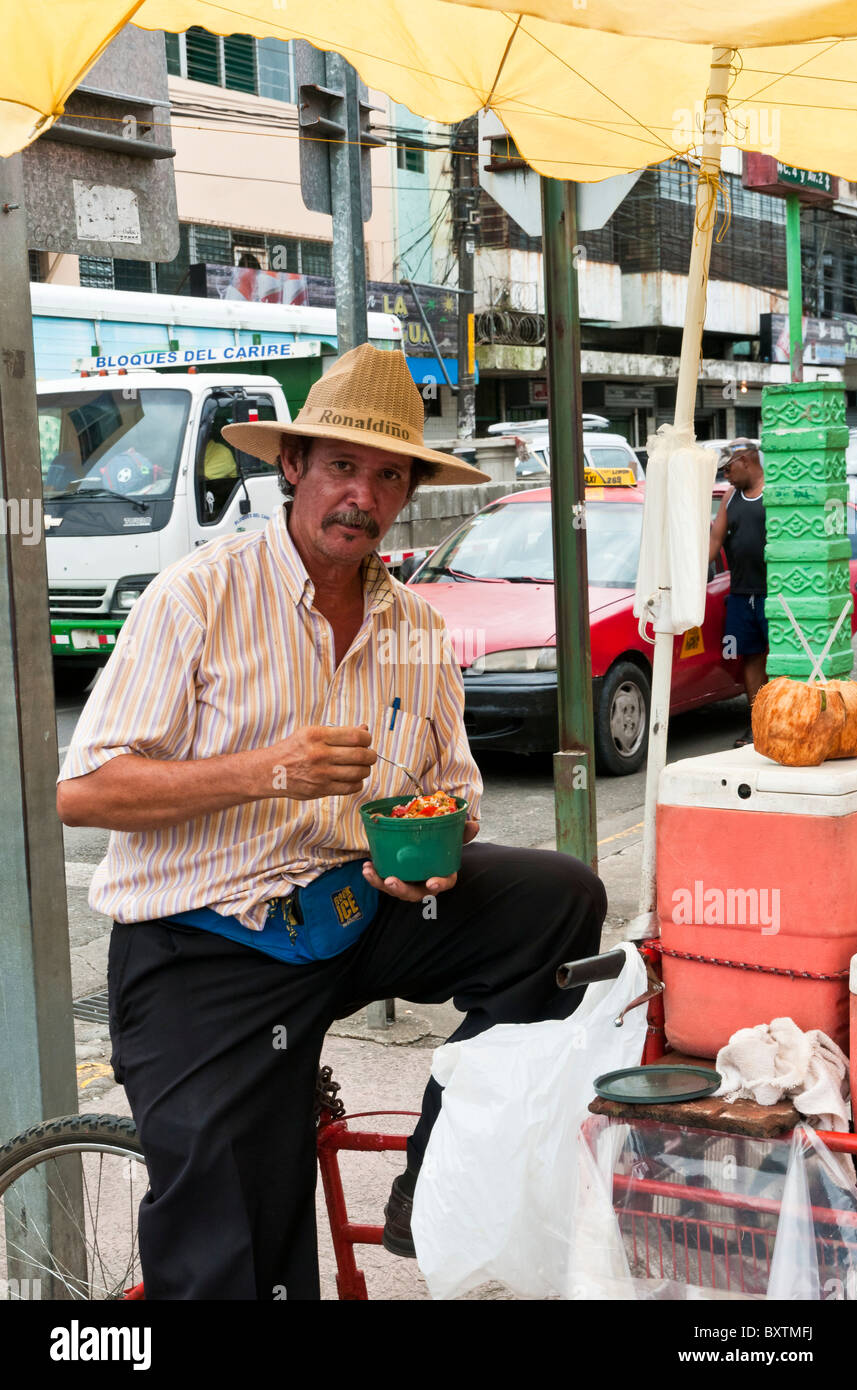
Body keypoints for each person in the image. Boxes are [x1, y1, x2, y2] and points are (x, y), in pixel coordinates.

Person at [56, 344, 607, 1301]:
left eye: (387, 474)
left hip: (357, 911)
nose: (362, 494)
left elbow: (453, 792)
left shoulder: (417, 630)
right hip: (204, 946)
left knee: (559, 903)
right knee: (236, 1254)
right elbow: (89, 788)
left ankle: (432, 1179)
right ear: (293, 468)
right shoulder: (200, 594)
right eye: (342, 467)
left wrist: (432, 855)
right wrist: (270, 770)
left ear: (404, 495)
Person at [708, 438, 768, 746]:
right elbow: (714, 542)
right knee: (750, 658)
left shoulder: (774, 493)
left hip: (774, 593)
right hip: (742, 593)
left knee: (780, 659)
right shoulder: (731, 496)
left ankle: (781, 721)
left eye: (729, 469)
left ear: (746, 461)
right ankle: (758, 724)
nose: (726, 476)